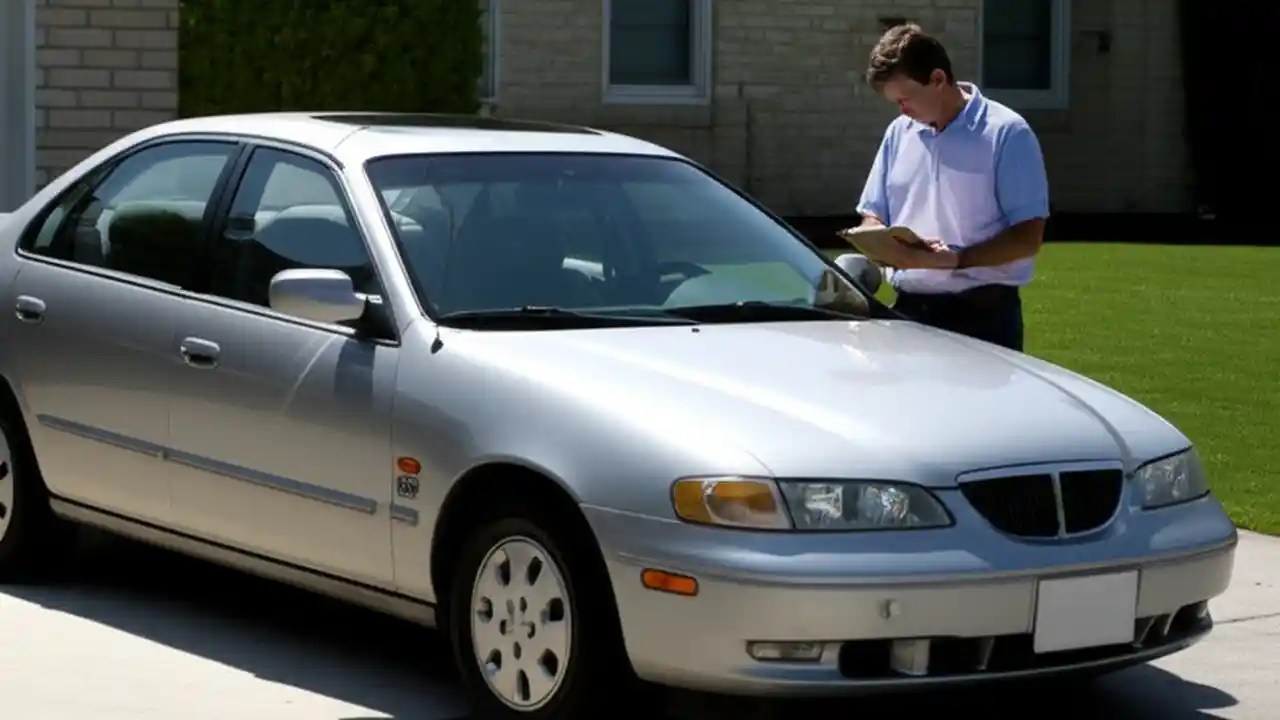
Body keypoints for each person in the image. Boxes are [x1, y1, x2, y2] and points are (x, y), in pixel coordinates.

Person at [849, 23, 1051, 352]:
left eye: (906, 99)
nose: (902, 110)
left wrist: (955, 260)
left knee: (983, 407)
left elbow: (1028, 237)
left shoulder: (1007, 133)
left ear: (938, 80)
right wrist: (876, 237)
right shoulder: (899, 132)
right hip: (909, 310)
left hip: (983, 316)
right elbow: (872, 213)